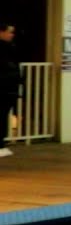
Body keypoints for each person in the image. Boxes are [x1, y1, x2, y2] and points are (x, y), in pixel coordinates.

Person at [0, 22, 21, 157]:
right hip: (5, 87)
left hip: (8, 88)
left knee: (3, 115)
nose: (12, 35)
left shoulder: (10, 47)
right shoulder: (6, 49)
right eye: (10, 32)